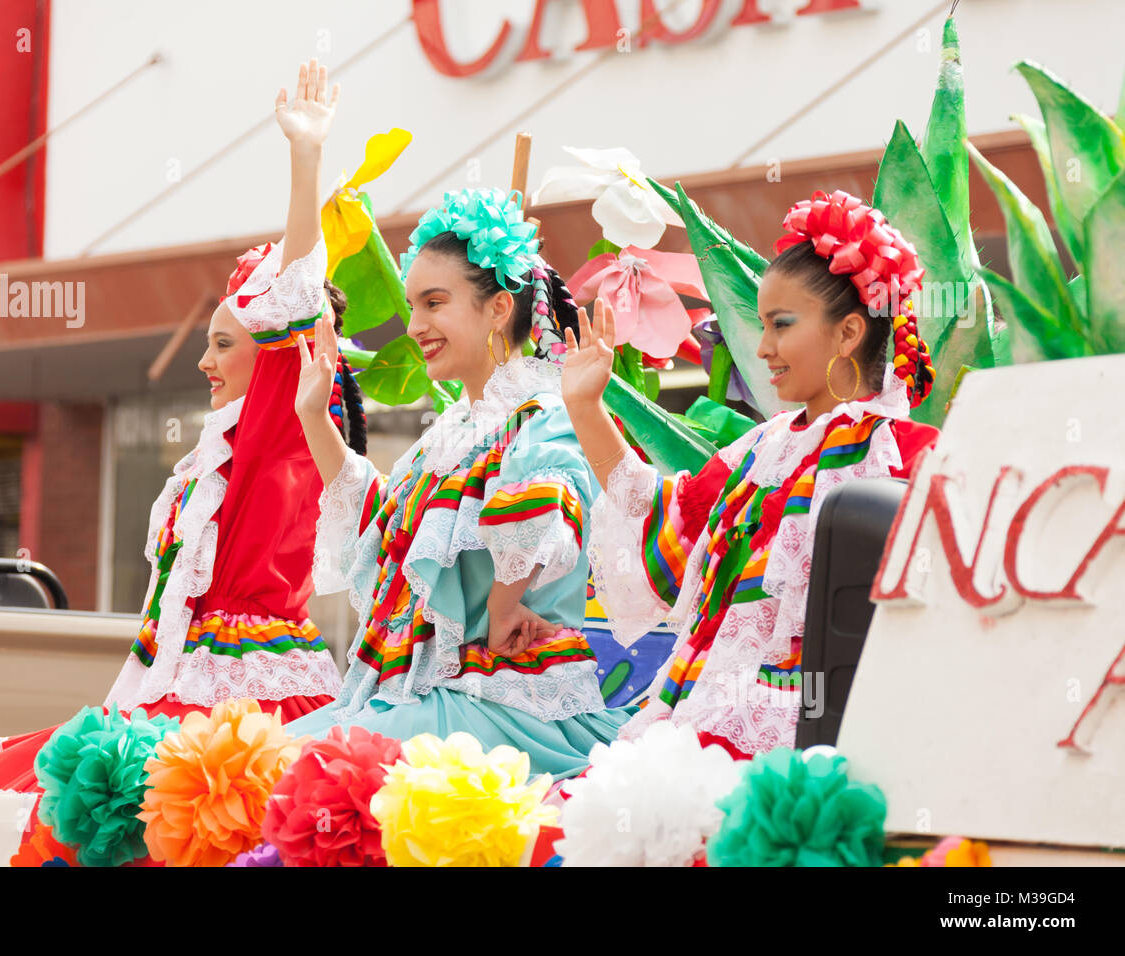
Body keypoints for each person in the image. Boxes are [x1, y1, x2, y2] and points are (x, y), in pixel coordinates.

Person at [0, 59, 358, 793]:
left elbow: (292, 294)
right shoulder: (210, 459)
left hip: (246, 710)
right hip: (171, 691)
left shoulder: (285, 429)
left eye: (224, 344)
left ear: (280, 357)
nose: (204, 362)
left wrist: (305, 158)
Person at [562, 189, 940, 759]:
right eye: (761, 326)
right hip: (699, 724)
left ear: (849, 332)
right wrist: (586, 409)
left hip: (828, 745)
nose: (762, 348)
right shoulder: (759, 451)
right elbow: (653, 515)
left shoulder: (913, 456)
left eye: (781, 325)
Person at [284, 187, 634, 780]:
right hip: (424, 699)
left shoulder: (546, 412)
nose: (415, 325)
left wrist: (503, 609)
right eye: (414, 305)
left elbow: (541, 508)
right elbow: (379, 521)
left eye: (435, 303)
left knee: (303, 771)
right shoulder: (450, 433)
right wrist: (313, 418)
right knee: (267, 763)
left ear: (499, 308)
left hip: (500, 703)